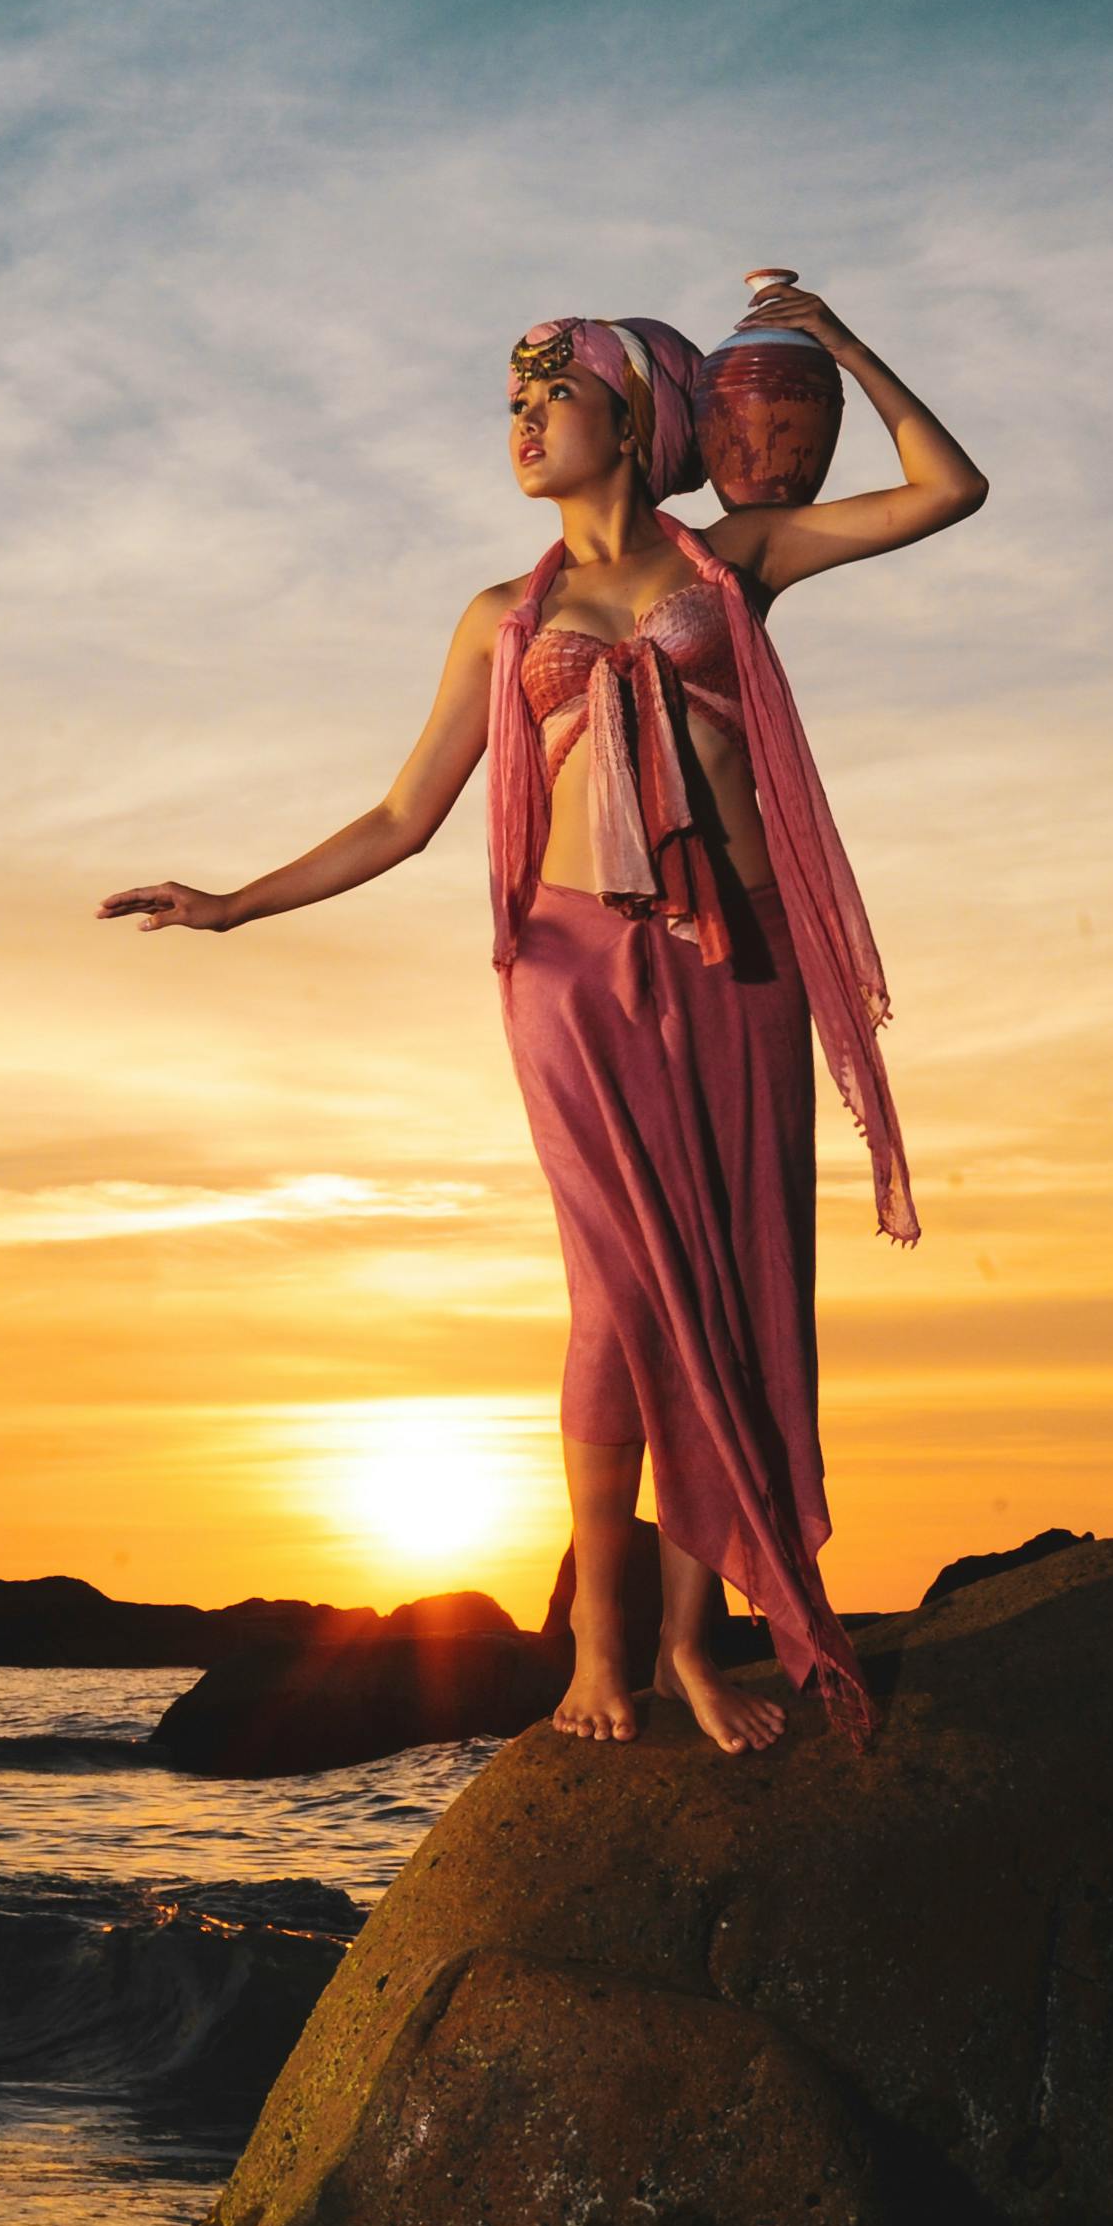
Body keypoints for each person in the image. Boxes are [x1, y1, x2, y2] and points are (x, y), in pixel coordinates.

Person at [98, 276, 986, 1754]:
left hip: (736, 964)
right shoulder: (507, 617)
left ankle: (701, 1648)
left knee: (732, 1293)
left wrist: (836, 346)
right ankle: (598, 1644)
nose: (520, 426)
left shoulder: (737, 563)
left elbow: (949, 490)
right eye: (510, 404)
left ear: (630, 420)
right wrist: (234, 903)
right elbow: (403, 815)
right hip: (569, 975)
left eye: (548, 398)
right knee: (617, 1304)